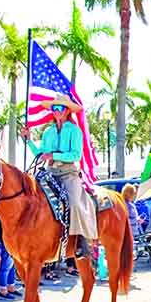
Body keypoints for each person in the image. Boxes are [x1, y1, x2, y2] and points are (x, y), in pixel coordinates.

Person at [21, 94, 97, 257]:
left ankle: (80, 241)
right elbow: (41, 154)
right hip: (50, 173)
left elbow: (76, 155)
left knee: (75, 203)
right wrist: (28, 140)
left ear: (67, 110)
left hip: (68, 173)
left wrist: (54, 155)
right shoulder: (48, 132)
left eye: (60, 108)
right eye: (54, 108)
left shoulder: (74, 131)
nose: (57, 111)